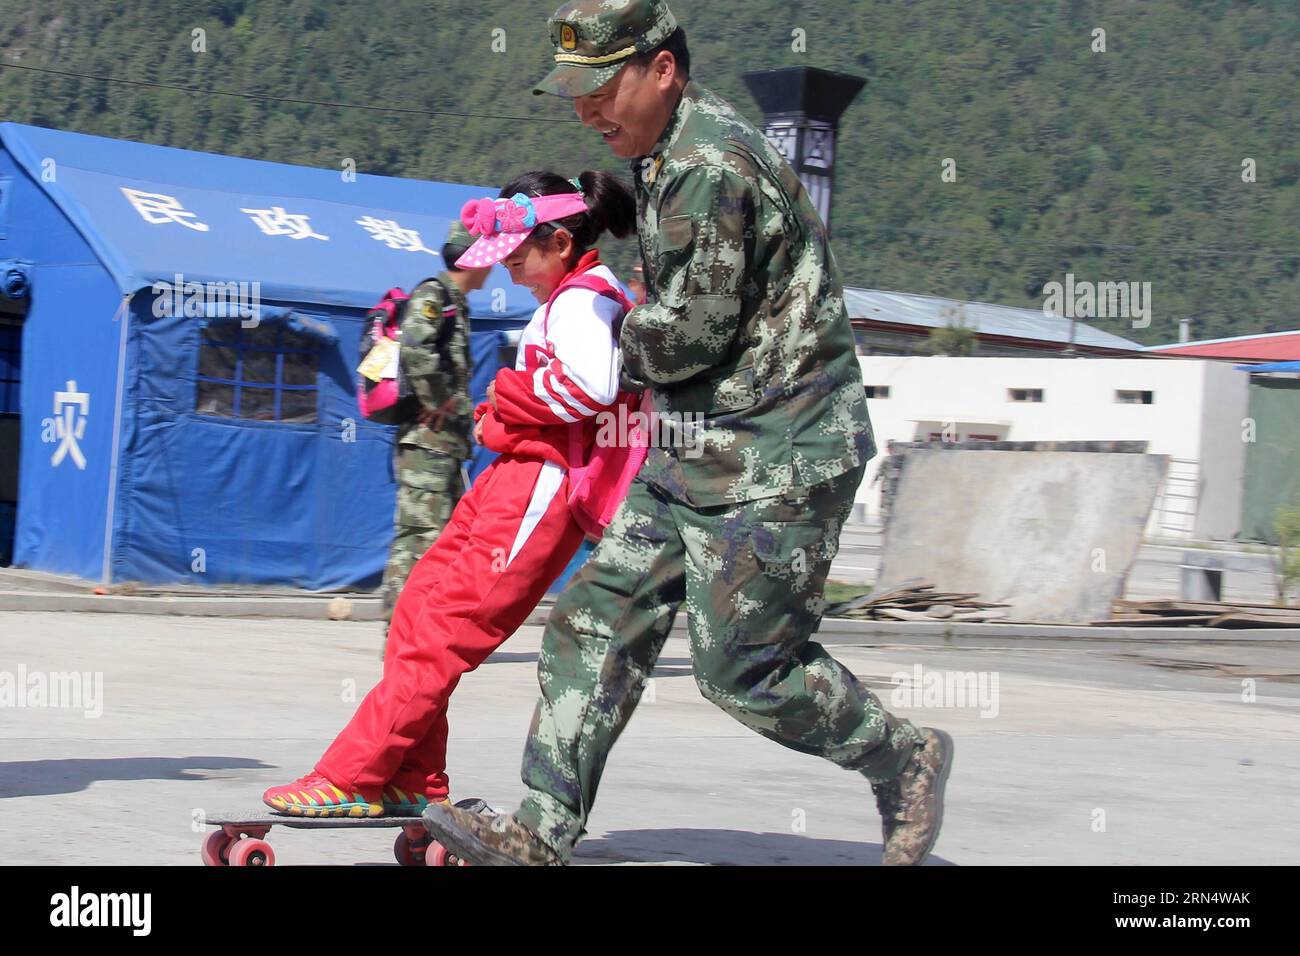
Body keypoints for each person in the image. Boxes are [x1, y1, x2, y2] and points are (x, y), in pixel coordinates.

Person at [423, 0, 953, 866]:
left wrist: (601, 319)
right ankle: (541, 831)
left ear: (662, 70)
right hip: (696, 447)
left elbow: (687, 335)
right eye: (575, 94)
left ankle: (905, 756)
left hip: (781, 451)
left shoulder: (707, 164)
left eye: (601, 89)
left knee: (745, 672)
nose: (586, 111)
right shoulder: (668, 158)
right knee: (595, 621)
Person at [261, 169, 640, 817]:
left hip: (538, 487)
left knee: (439, 633)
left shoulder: (584, 300)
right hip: (508, 477)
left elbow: (592, 390)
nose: (511, 272)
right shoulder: (566, 296)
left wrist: (505, 405)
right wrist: (502, 415)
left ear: (558, 242)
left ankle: (352, 776)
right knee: (414, 609)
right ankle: (414, 778)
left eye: (519, 257)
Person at [380, 222, 488, 638]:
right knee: (419, 537)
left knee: (441, 538)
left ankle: (420, 627)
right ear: (471, 258)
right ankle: (401, 632)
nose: (494, 266)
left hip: (445, 446)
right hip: (427, 444)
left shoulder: (456, 304)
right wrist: (439, 400)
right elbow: (414, 346)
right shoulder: (434, 295)